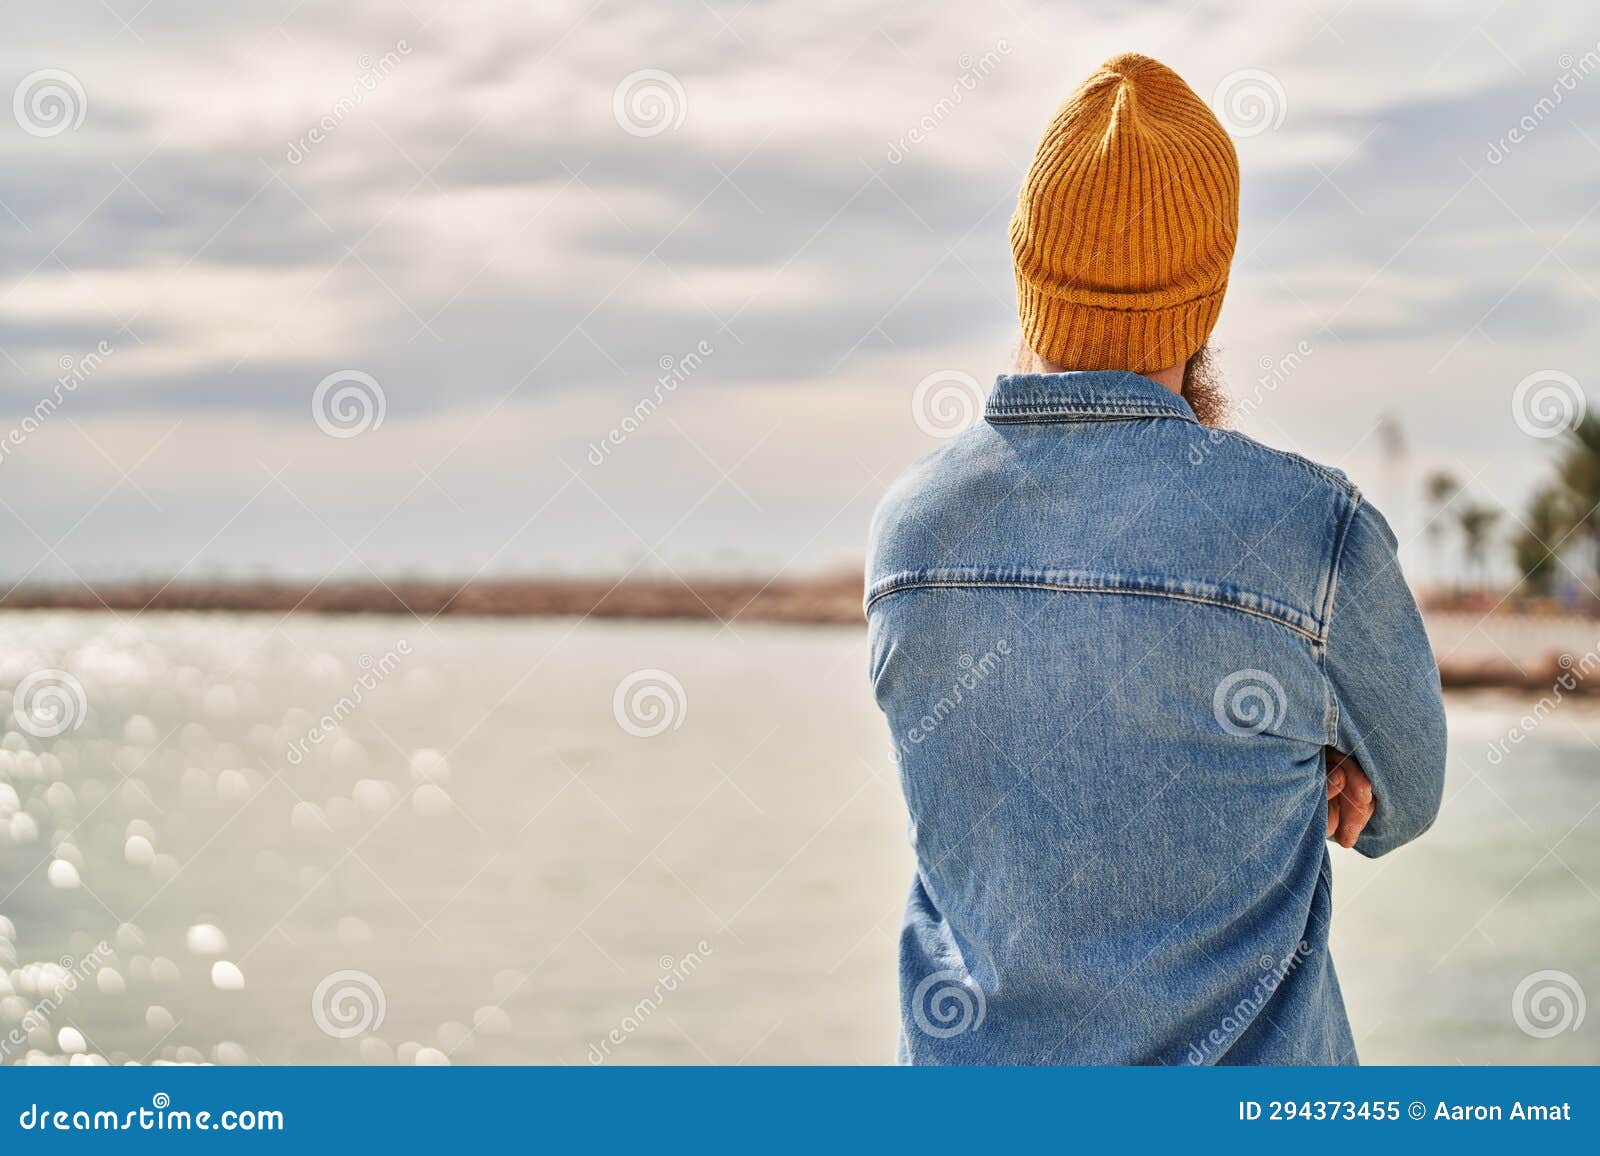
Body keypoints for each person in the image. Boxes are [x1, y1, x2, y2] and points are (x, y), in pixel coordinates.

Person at [865, 53, 1446, 1065]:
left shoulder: (910, 533)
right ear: (1206, 298)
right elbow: (1404, 802)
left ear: (1025, 267)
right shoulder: (1312, 531)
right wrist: (1318, 755)